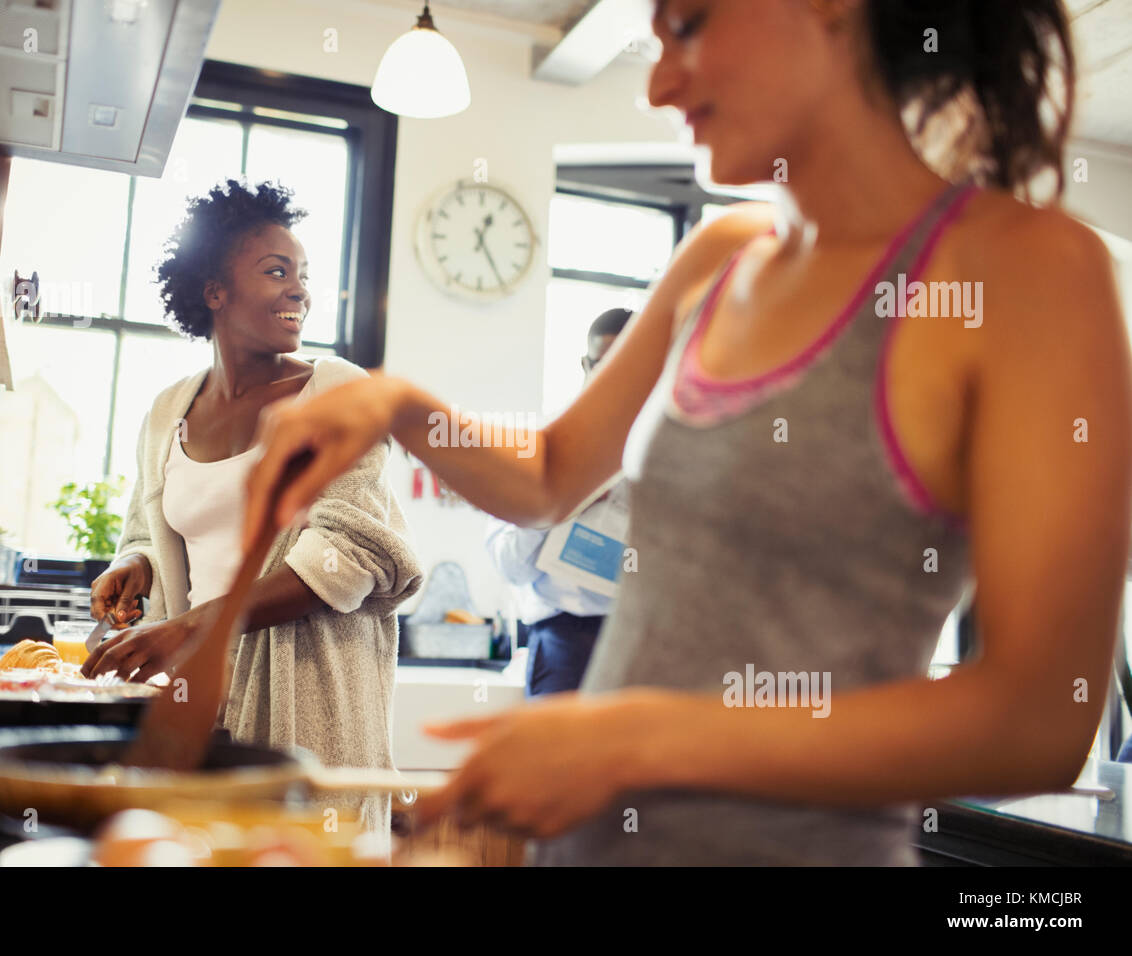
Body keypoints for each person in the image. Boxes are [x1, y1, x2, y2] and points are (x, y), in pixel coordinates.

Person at [239, 0, 1131, 865]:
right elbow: (552, 473)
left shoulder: (1026, 270)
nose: (659, 86)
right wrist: (396, 405)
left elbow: (1042, 721)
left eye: (690, 25)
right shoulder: (720, 259)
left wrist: (638, 736)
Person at [82, 179, 423, 844]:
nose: (300, 290)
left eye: (304, 276)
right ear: (215, 290)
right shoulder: (167, 410)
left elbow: (347, 557)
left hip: (309, 701)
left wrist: (186, 632)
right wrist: (135, 565)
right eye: (277, 271)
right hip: (196, 704)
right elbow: (148, 529)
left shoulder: (338, 394)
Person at [486, 309, 633, 695]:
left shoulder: (673, 455)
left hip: (645, 642)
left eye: (631, 365)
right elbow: (511, 568)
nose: (618, 378)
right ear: (585, 364)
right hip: (565, 642)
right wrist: (562, 498)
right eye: (605, 365)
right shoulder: (538, 445)